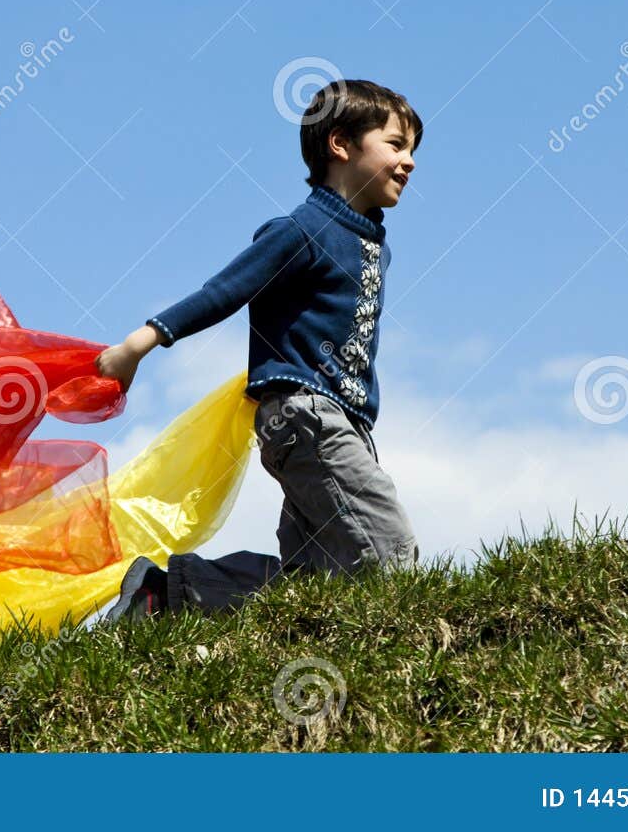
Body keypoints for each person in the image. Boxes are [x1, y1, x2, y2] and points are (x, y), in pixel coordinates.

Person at [94, 78, 422, 620]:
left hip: (343, 426)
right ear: (340, 145)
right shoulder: (304, 229)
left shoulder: (373, 243)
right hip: (308, 419)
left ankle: (169, 593)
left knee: (320, 588)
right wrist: (141, 342)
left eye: (413, 149)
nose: (409, 162)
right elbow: (226, 290)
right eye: (395, 144)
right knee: (390, 556)